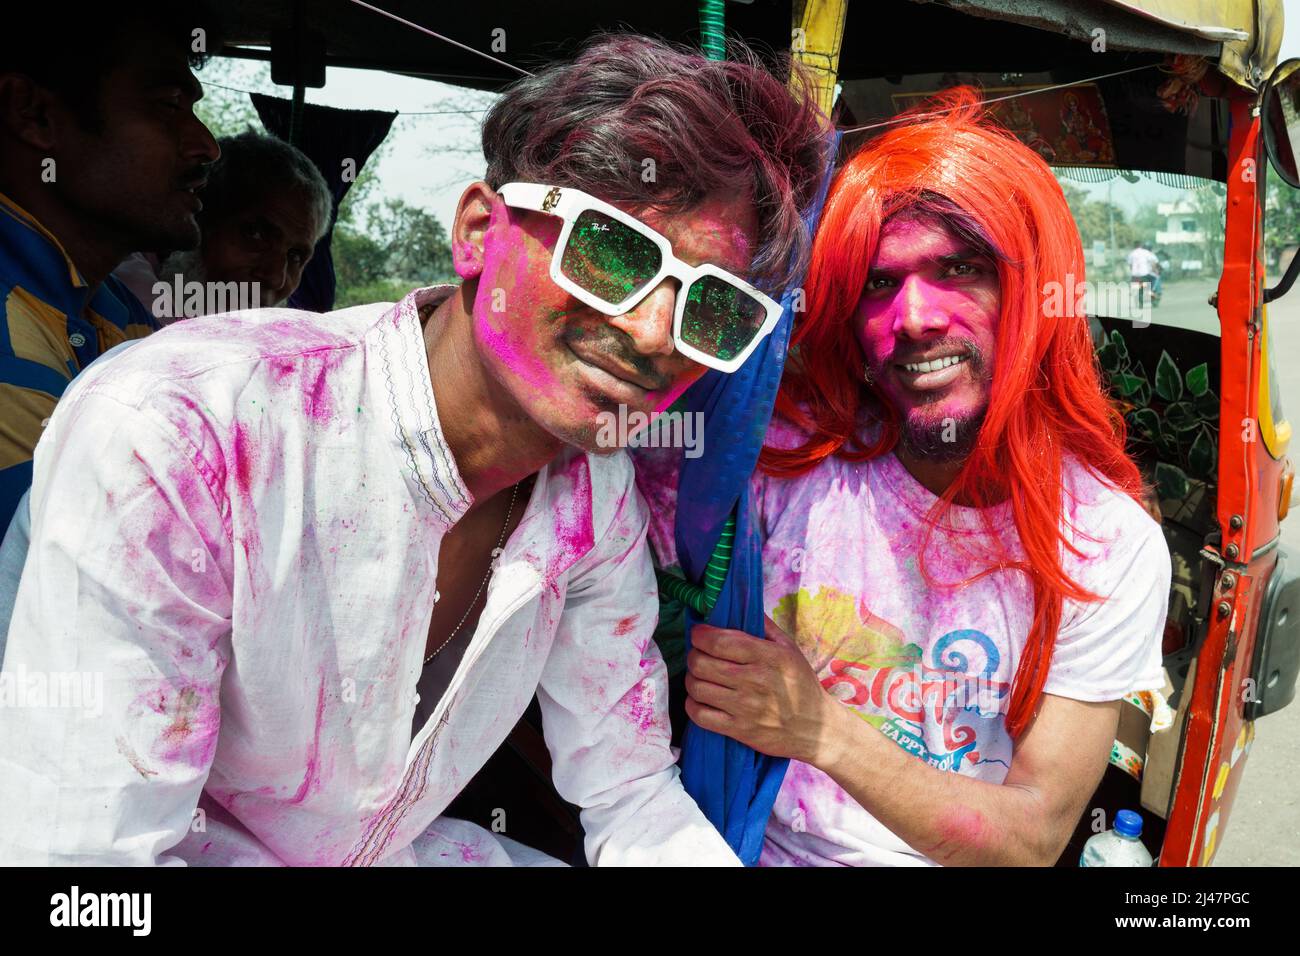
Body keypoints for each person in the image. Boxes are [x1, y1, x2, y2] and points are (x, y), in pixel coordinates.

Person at [0, 34, 827, 866]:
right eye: (612, 253)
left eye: (713, 310)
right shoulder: (190, 430)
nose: (655, 334)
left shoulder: (594, 500)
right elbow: (87, 871)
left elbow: (628, 794)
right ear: (477, 231)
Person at [679, 88, 1170, 866]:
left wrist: (819, 729)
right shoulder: (783, 454)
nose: (913, 318)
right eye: (879, 283)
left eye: (960, 268)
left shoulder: (1108, 544)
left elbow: (1033, 837)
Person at [0, 3, 220, 532]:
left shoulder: (110, 303)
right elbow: (76, 579)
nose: (207, 146)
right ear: (35, 116)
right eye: (168, 105)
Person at [145, 130, 333, 317]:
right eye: (256, 235)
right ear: (197, 220)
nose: (276, 277)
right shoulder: (128, 307)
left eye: (296, 257)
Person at [1127, 240, 1161, 305]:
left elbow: (1130, 266)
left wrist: (1134, 273)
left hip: (1135, 275)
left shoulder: (1131, 254)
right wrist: (1155, 271)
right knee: (1156, 278)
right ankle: (1155, 293)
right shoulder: (1146, 252)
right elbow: (1153, 264)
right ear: (1142, 246)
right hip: (1145, 274)